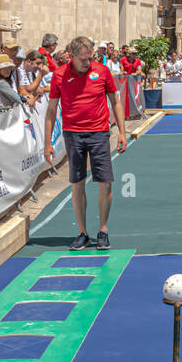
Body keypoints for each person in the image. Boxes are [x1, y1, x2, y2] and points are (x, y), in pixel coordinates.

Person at [43, 35, 127, 252]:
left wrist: (122, 132)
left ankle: (103, 230)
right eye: (83, 59)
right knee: (77, 183)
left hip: (99, 133)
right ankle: (82, 233)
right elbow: (51, 110)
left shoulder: (102, 71)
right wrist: (47, 142)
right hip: (73, 134)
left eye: (90, 58)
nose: (87, 63)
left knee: (105, 182)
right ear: (71, 55)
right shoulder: (59, 75)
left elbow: (115, 102)